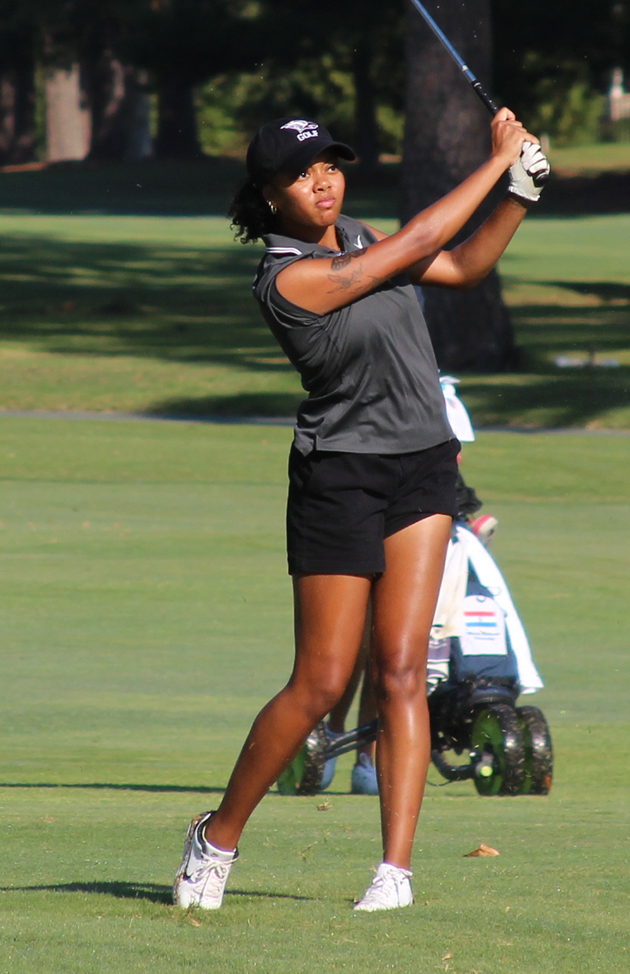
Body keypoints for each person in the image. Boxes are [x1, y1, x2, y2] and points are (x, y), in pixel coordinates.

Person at [174, 110, 545, 911]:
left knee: (404, 669)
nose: (324, 181)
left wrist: (518, 189)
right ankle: (217, 835)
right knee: (320, 681)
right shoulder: (287, 279)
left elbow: (464, 264)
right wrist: (494, 162)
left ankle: (394, 872)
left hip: (421, 466)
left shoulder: (362, 236)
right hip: (339, 477)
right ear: (270, 197)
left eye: (331, 167)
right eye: (303, 175)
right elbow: (414, 246)